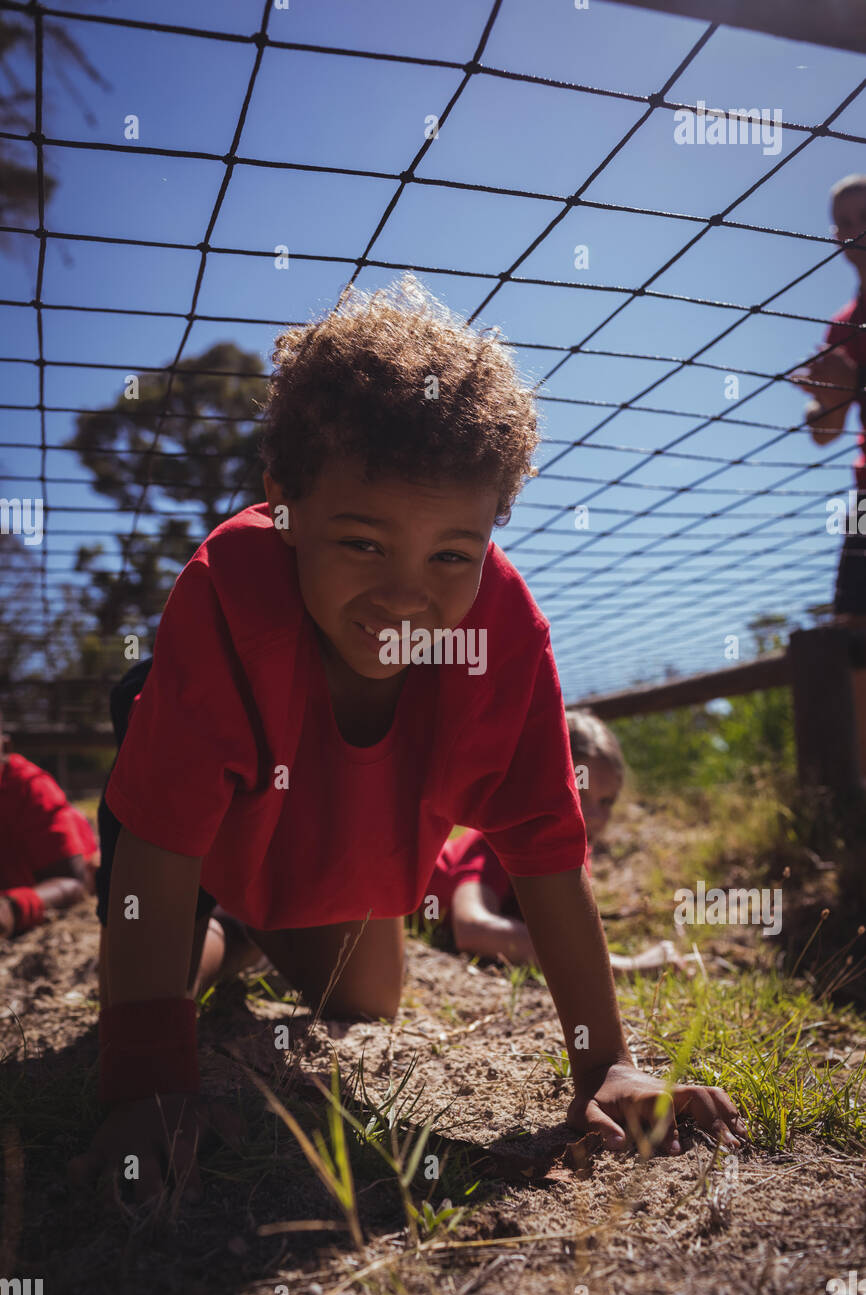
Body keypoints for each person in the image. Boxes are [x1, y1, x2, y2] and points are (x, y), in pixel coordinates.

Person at [71, 275, 746, 1205]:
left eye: (449, 556)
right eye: (361, 544)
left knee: (365, 1003)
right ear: (283, 504)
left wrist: (607, 1067)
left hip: (331, 820)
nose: (404, 596)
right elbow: (159, 843)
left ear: (491, 535)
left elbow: (548, 849)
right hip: (195, 830)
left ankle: (245, 922)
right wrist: (149, 1085)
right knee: (167, 963)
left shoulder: (505, 634)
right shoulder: (225, 593)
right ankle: (214, 923)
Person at [423, 709, 682, 972]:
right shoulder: (498, 841)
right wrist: (626, 966)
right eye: (578, 793)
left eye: (606, 801)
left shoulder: (574, 857)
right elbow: (472, 927)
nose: (593, 816)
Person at [789, 173, 866, 777]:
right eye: (841, 223)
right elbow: (825, 433)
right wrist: (832, 396)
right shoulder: (842, 328)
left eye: (862, 215)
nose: (851, 233)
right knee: (853, 635)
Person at [0, 706, 98, 939]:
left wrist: (11, 908)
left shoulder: (31, 788)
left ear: (5, 749)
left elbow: (75, 883)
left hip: (81, 856)